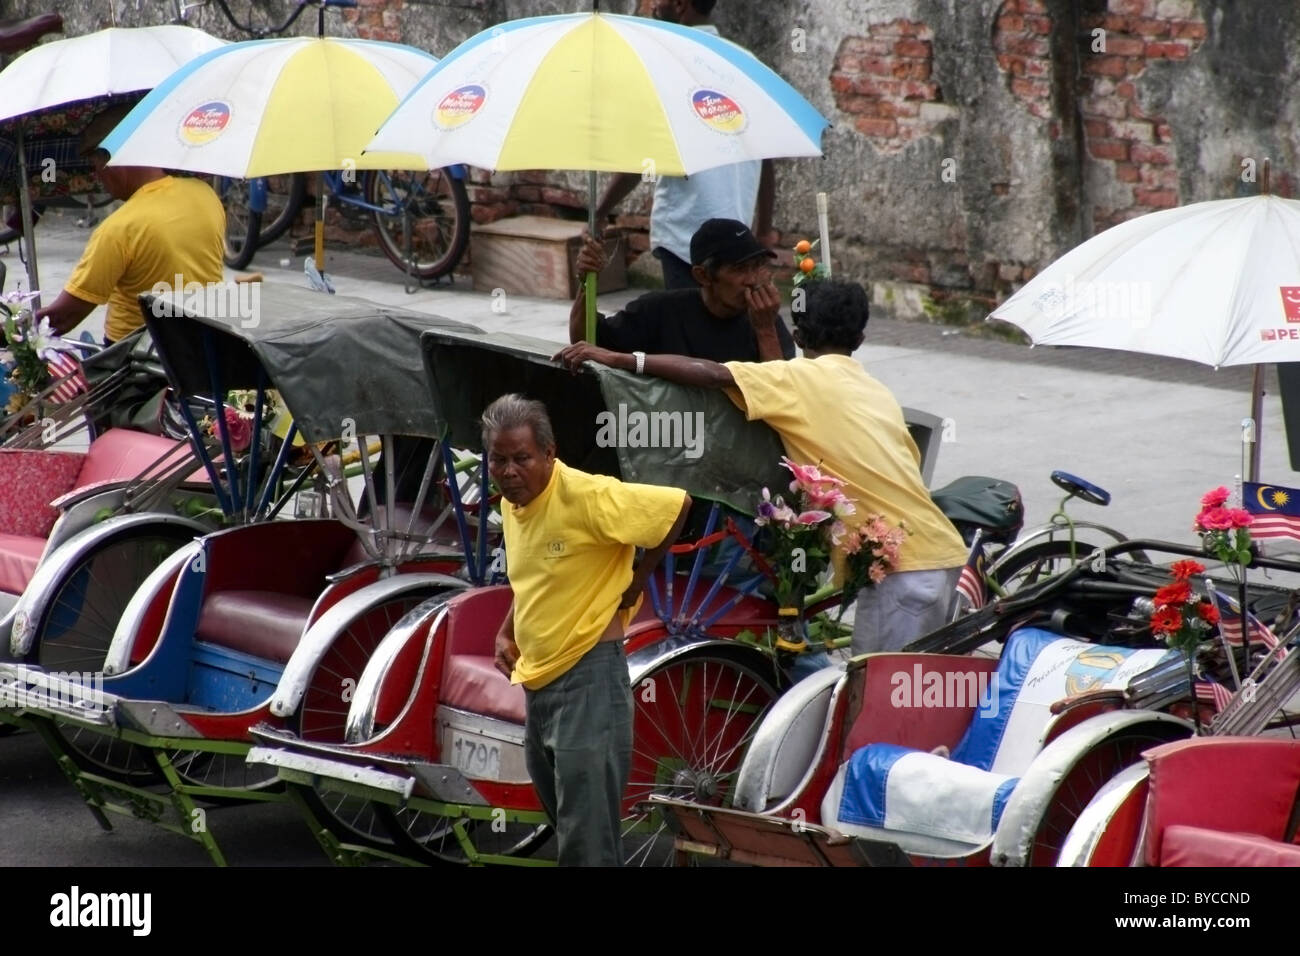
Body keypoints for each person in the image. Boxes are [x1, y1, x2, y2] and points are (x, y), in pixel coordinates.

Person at [556, 278, 968, 654]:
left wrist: (622, 359)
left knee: (882, 698)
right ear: (860, 337)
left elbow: (715, 374)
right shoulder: (875, 392)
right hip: (942, 553)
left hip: (902, 573)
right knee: (910, 698)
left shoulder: (797, 379)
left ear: (799, 333)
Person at [485, 393, 691, 866]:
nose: (510, 470)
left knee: (586, 839)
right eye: (499, 460)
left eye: (522, 458)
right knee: (574, 828)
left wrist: (635, 581)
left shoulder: (587, 497)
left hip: (589, 679)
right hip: (539, 681)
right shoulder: (514, 505)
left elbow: (676, 506)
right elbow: (533, 575)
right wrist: (506, 630)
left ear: (549, 453)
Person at [592, 0, 778, 289]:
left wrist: (601, 211)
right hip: (736, 237)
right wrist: (764, 229)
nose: (652, 5)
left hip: (685, 239)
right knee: (722, 330)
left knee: (687, 328)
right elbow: (767, 153)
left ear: (680, 5)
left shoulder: (669, 66)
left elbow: (644, 158)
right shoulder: (746, 62)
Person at [35, 105, 225, 345]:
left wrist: (17, 331)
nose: (99, 179)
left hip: (136, 357)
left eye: (96, 167)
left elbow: (63, 318)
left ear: (113, 159)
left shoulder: (119, 228)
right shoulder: (205, 194)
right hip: (204, 344)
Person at [569, 218, 795, 363]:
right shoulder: (658, 311)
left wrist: (765, 330)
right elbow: (585, 342)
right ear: (703, 275)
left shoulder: (765, 320)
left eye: (757, 267)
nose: (753, 280)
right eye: (740, 269)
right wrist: (587, 282)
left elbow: (780, 392)